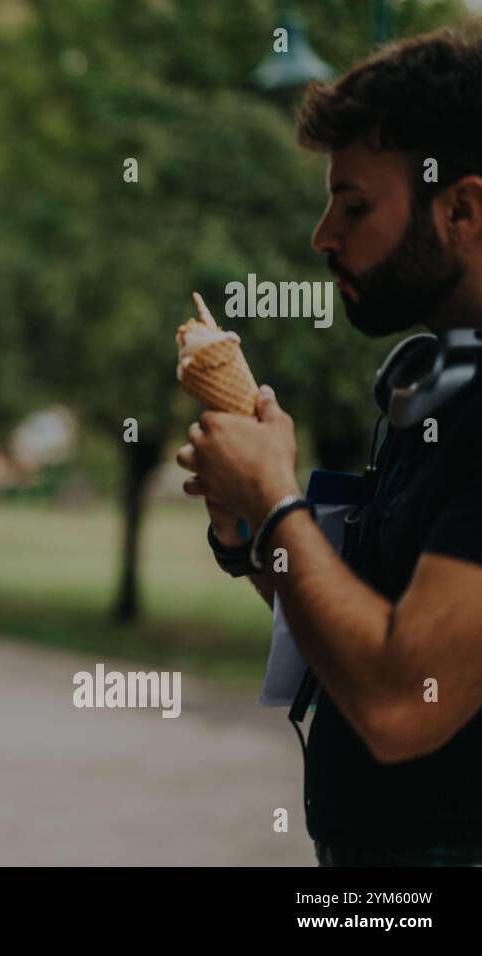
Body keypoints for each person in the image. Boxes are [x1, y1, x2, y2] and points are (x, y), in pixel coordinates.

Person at [178, 27, 482, 866]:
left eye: (354, 207)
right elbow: (353, 635)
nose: (322, 236)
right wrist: (251, 529)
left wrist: (277, 500)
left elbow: (402, 706)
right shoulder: (434, 389)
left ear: (461, 210)